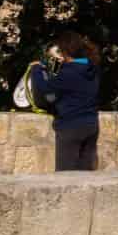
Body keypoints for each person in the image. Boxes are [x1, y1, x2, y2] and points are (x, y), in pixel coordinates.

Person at [32, 31, 101, 171]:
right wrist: (59, 62)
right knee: (86, 173)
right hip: (91, 125)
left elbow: (46, 88)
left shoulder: (68, 72)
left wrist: (37, 69)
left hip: (71, 126)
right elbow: (60, 79)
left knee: (65, 175)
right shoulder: (92, 68)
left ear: (65, 52)